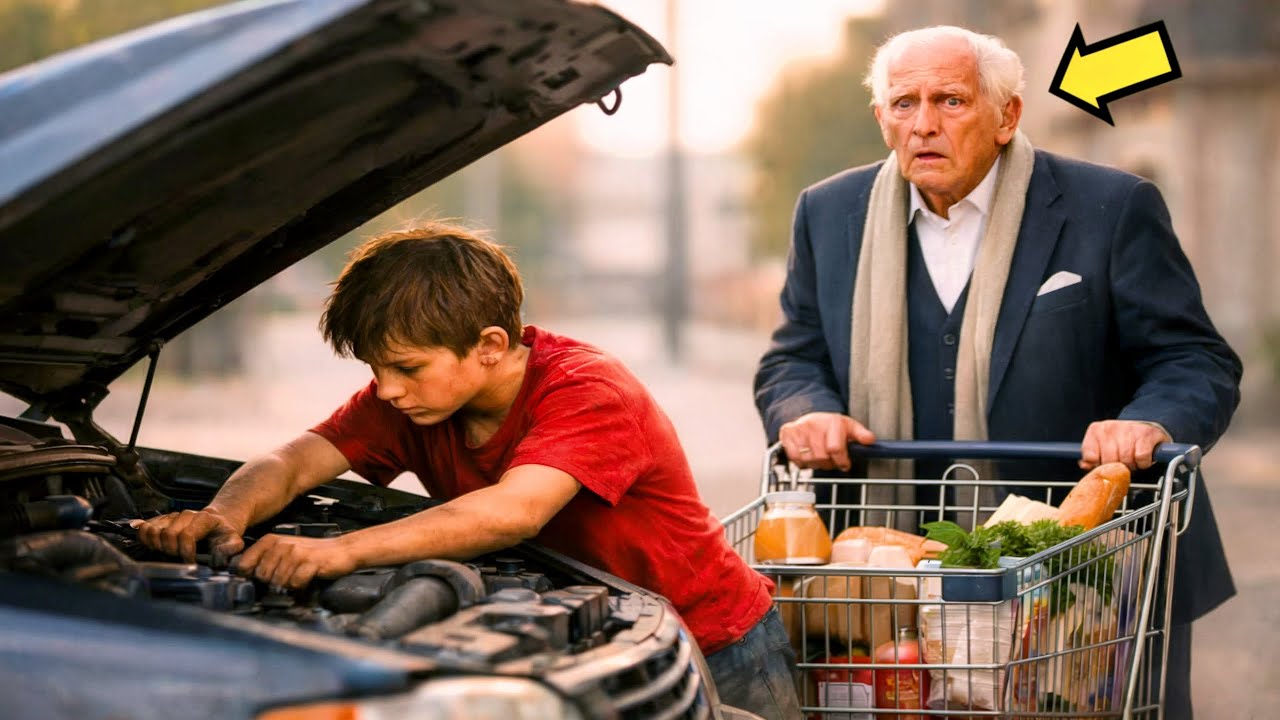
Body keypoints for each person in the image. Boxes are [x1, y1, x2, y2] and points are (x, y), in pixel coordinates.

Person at [753, 26, 1241, 719]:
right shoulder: (828, 213)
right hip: (892, 582)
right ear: (881, 119)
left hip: (1087, 574)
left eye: (950, 101)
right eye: (903, 104)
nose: (923, 123)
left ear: (1007, 114)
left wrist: (1148, 422)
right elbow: (792, 355)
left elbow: (1195, 359)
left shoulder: (1111, 206)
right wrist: (806, 405)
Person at [137, 223, 800, 719]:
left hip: (714, 643)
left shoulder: (586, 390)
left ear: (489, 346)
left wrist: (338, 553)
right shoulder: (409, 403)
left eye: (406, 368)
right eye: (375, 370)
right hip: (588, 640)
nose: (387, 389)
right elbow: (291, 461)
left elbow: (513, 510)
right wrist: (224, 514)